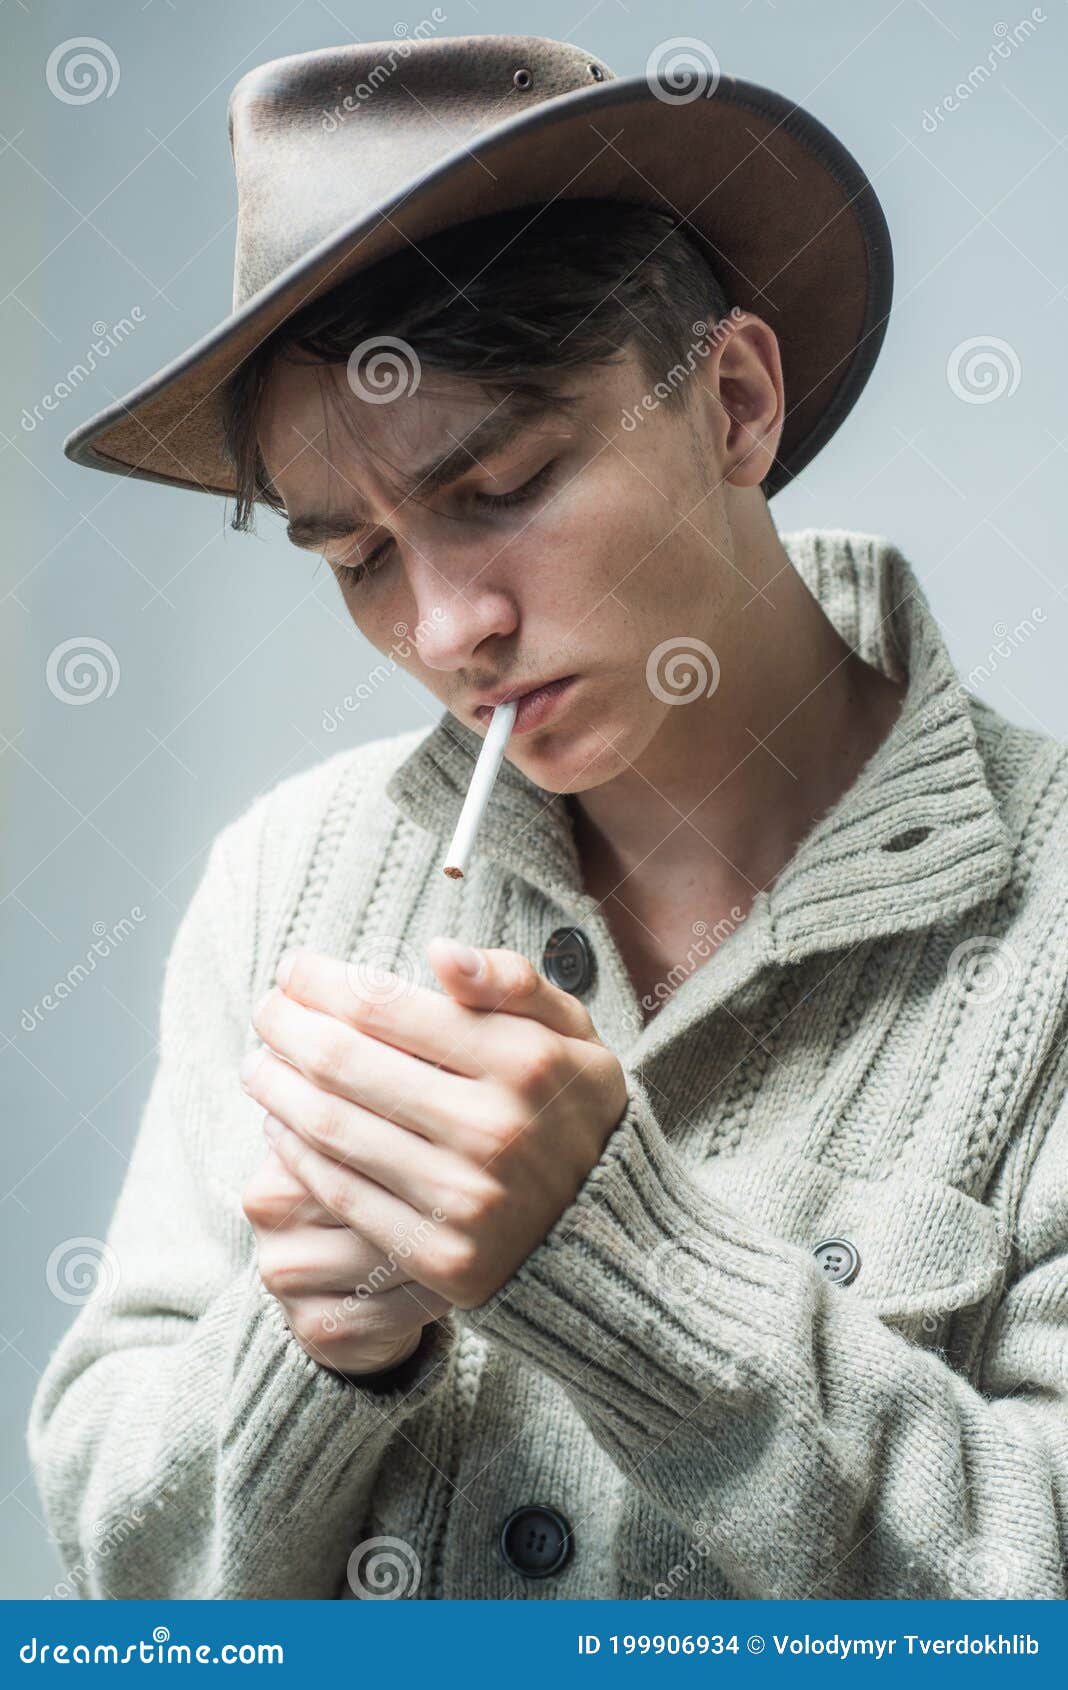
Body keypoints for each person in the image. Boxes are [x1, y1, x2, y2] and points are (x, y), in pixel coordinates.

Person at [31, 35, 1068, 1601]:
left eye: (500, 484)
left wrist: (612, 1254)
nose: (448, 630)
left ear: (731, 398)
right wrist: (314, 1348)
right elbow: (123, 1568)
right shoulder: (283, 883)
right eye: (357, 558)